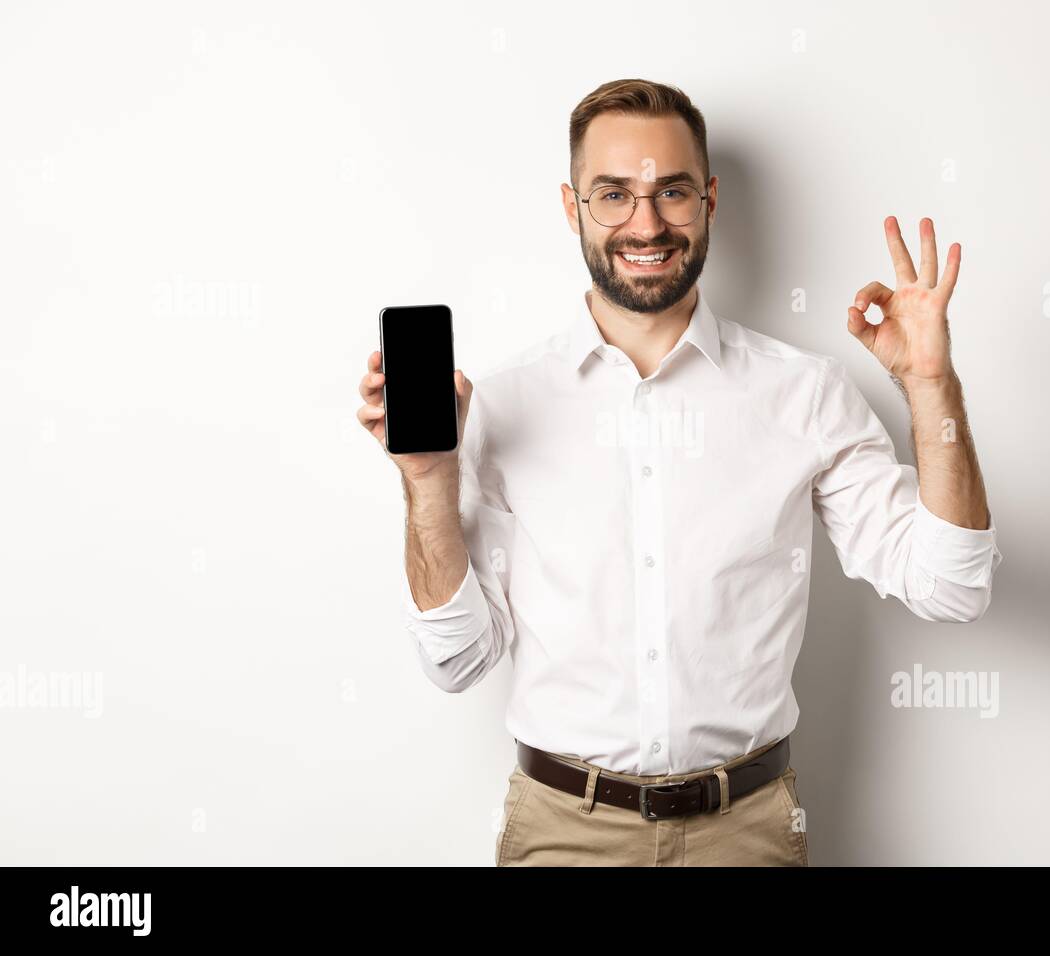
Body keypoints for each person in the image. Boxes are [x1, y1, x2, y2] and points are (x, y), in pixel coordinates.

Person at [355, 78, 1003, 866]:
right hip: (563, 835)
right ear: (572, 208)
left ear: (710, 200)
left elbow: (952, 587)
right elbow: (457, 659)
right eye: (613, 194)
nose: (647, 222)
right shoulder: (500, 406)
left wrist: (931, 385)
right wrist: (427, 480)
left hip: (750, 833)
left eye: (673, 191)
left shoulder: (805, 394)